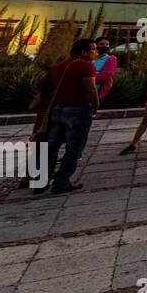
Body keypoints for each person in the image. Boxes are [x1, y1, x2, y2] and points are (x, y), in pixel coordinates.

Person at [38, 38, 101, 194]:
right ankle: (61, 181)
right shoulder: (86, 66)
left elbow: (44, 84)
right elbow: (90, 89)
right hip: (77, 110)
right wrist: (95, 105)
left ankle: (40, 181)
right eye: (93, 49)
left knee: (51, 146)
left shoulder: (58, 66)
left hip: (57, 110)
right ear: (83, 52)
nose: (96, 52)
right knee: (74, 147)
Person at [92, 36, 118, 101]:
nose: (105, 46)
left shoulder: (111, 59)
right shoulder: (90, 57)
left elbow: (105, 75)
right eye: (101, 44)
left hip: (96, 91)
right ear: (95, 45)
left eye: (107, 44)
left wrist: (86, 78)